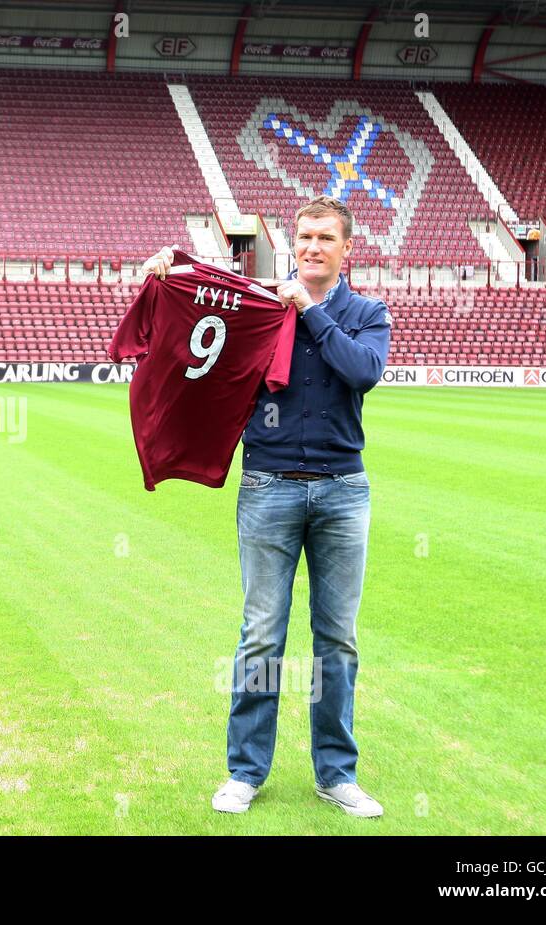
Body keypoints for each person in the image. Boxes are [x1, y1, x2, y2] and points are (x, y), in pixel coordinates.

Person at [142, 195, 392, 817]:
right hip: (268, 487)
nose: (311, 247)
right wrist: (171, 274)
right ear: (292, 242)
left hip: (342, 490)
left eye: (325, 238)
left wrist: (309, 312)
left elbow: (362, 371)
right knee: (260, 637)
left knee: (338, 639)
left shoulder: (367, 313)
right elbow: (212, 299)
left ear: (346, 248)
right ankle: (245, 770)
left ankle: (336, 774)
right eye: (304, 237)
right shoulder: (263, 305)